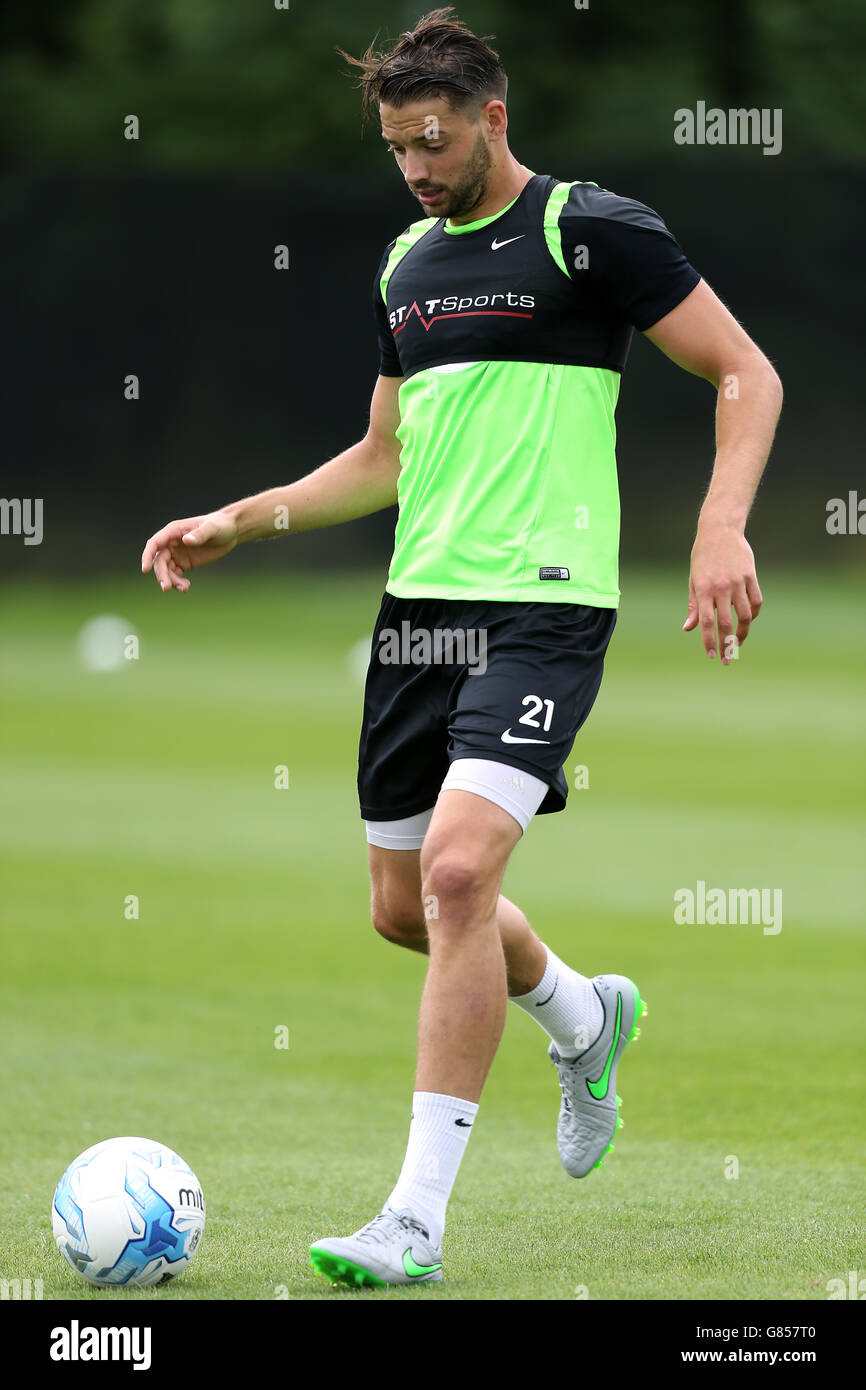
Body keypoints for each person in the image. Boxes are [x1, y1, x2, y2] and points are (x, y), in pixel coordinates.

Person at [141, 7, 782, 1289]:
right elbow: (382, 459)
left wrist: (720, 527)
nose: (417, 167)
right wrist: (240, 519)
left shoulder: (587, 230)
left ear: (492, 115)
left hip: (545, 612)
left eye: (432, 141)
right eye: (395, 149)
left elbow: (743, 375)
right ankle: (585, 1017)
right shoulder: (404, 266)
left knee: (454, 872)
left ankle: (413, 1220)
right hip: (415, 617)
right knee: (405, 910)